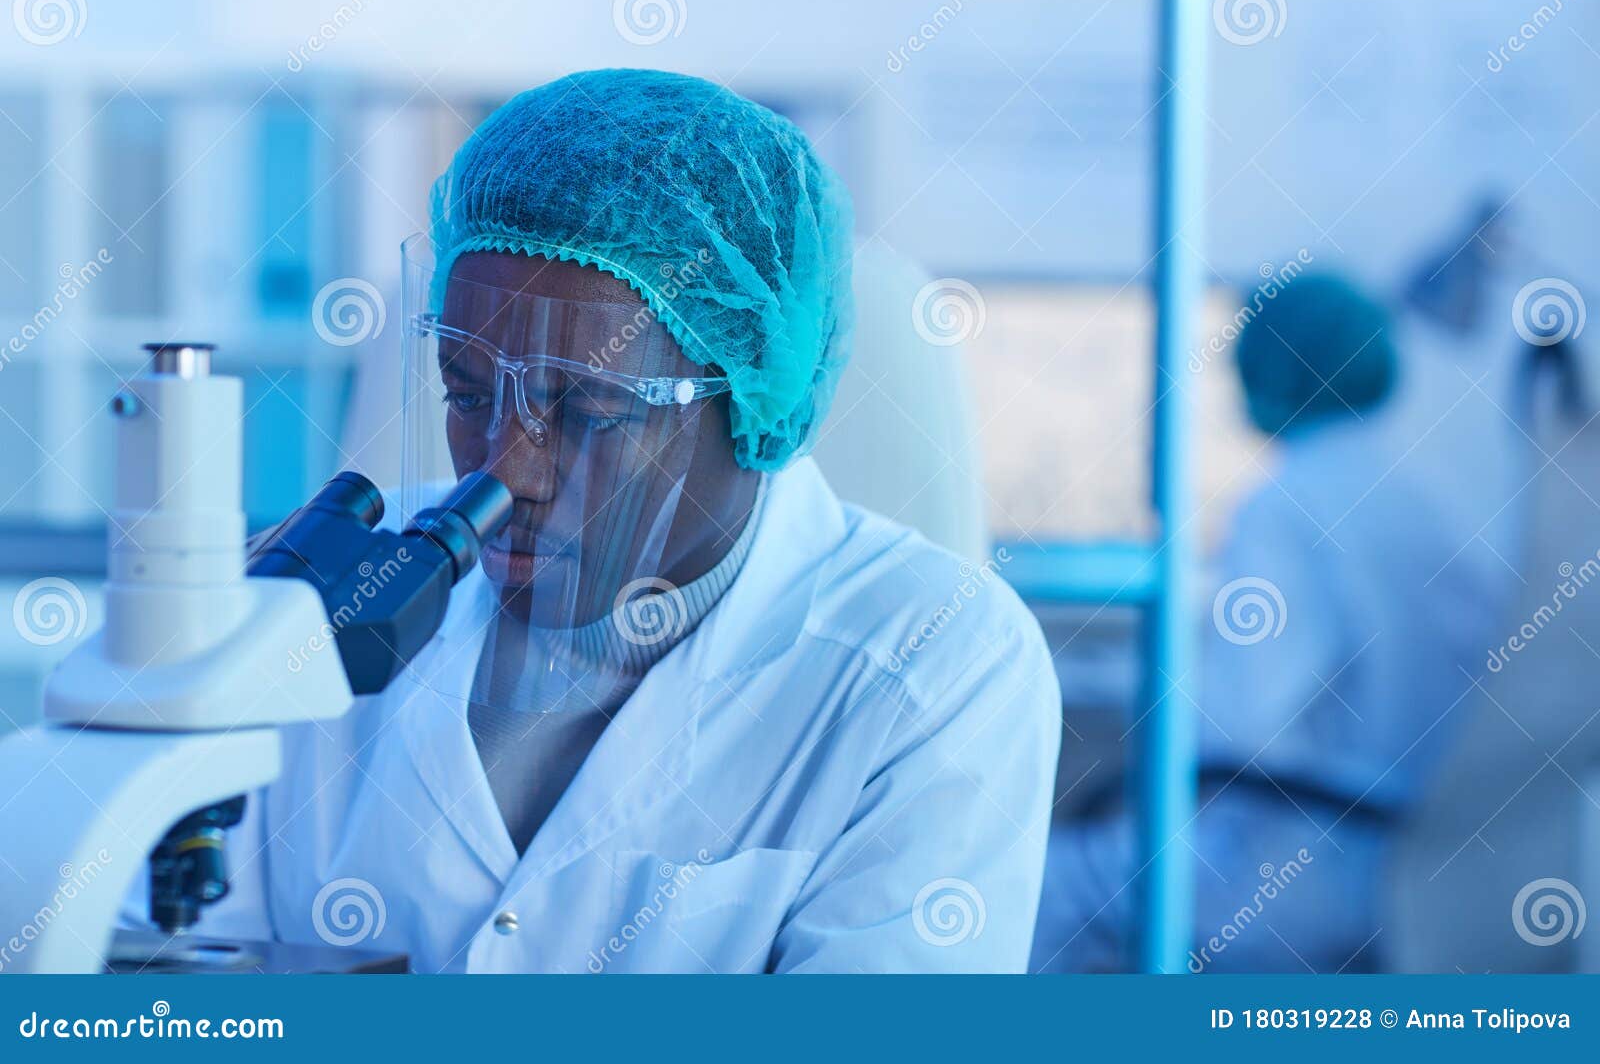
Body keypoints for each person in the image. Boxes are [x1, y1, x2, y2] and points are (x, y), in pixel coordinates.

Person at [125, 69, 1060, 973]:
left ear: (748, 406)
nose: (506, 469)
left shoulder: (937, 662)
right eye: (466, 392)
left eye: (589, 412)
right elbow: (143, 954)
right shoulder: (324, 596)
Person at [1032, 274, 1519, 972]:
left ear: (1279, 370)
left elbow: (1233, 725)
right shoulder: (1427, 496)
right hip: (1424, 859)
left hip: (1309, 864)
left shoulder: (1285, 506)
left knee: (1035, 892)